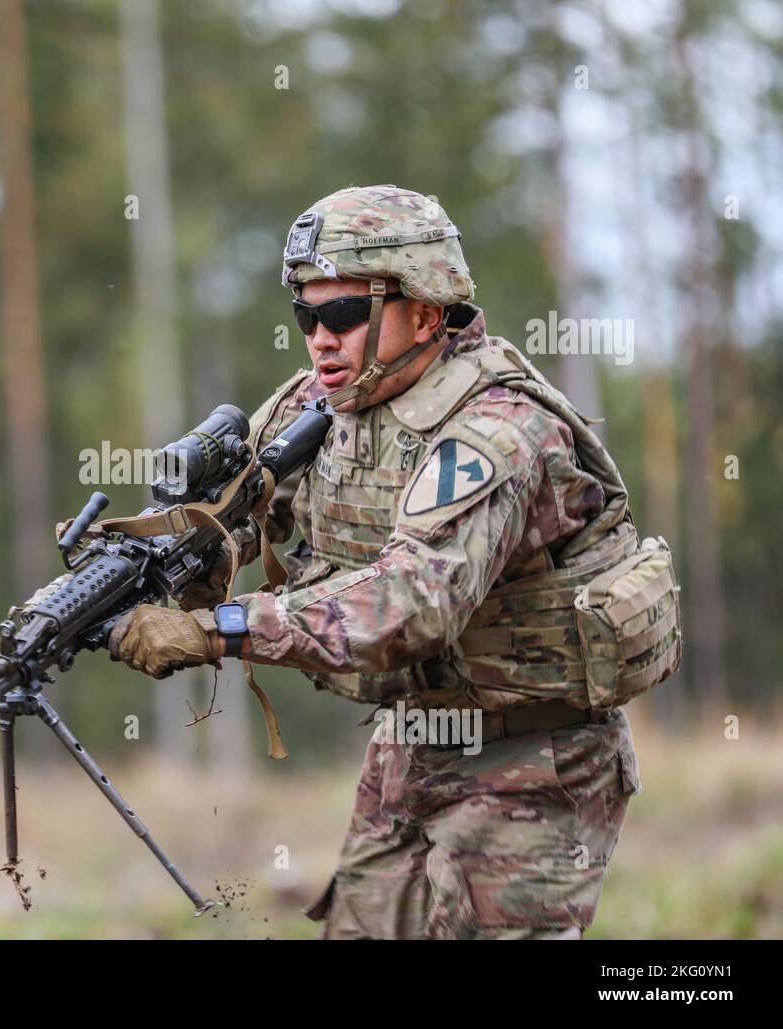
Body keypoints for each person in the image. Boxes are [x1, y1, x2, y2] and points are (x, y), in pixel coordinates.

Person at [107, 184, 680, 939]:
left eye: (344, 313)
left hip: (536, 756)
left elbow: (414, 603)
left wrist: (224, 629)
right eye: (306, 315)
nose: (320, 338)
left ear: (426, 310)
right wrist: (129, 576)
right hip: (413, 741)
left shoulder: (501, 431)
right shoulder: (320, 408)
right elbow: (238, 519)